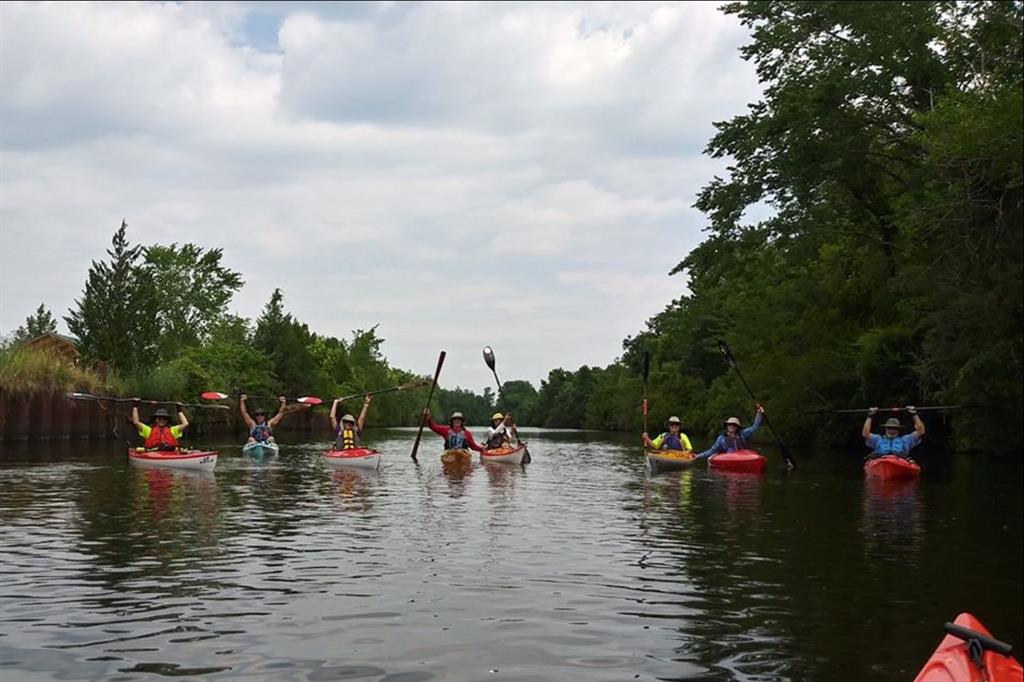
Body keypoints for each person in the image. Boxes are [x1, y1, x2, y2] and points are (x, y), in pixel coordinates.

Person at [696, 405, 764, 460]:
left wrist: (759, 413)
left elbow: (754, 427)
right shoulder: (721, 439)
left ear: (737, 427)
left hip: (742, 457)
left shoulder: (743, 434)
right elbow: (711, 450)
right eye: (729, 424)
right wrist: (698, 456)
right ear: (727, 426)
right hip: (728, 458)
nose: (731, 426)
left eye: (734, 425)